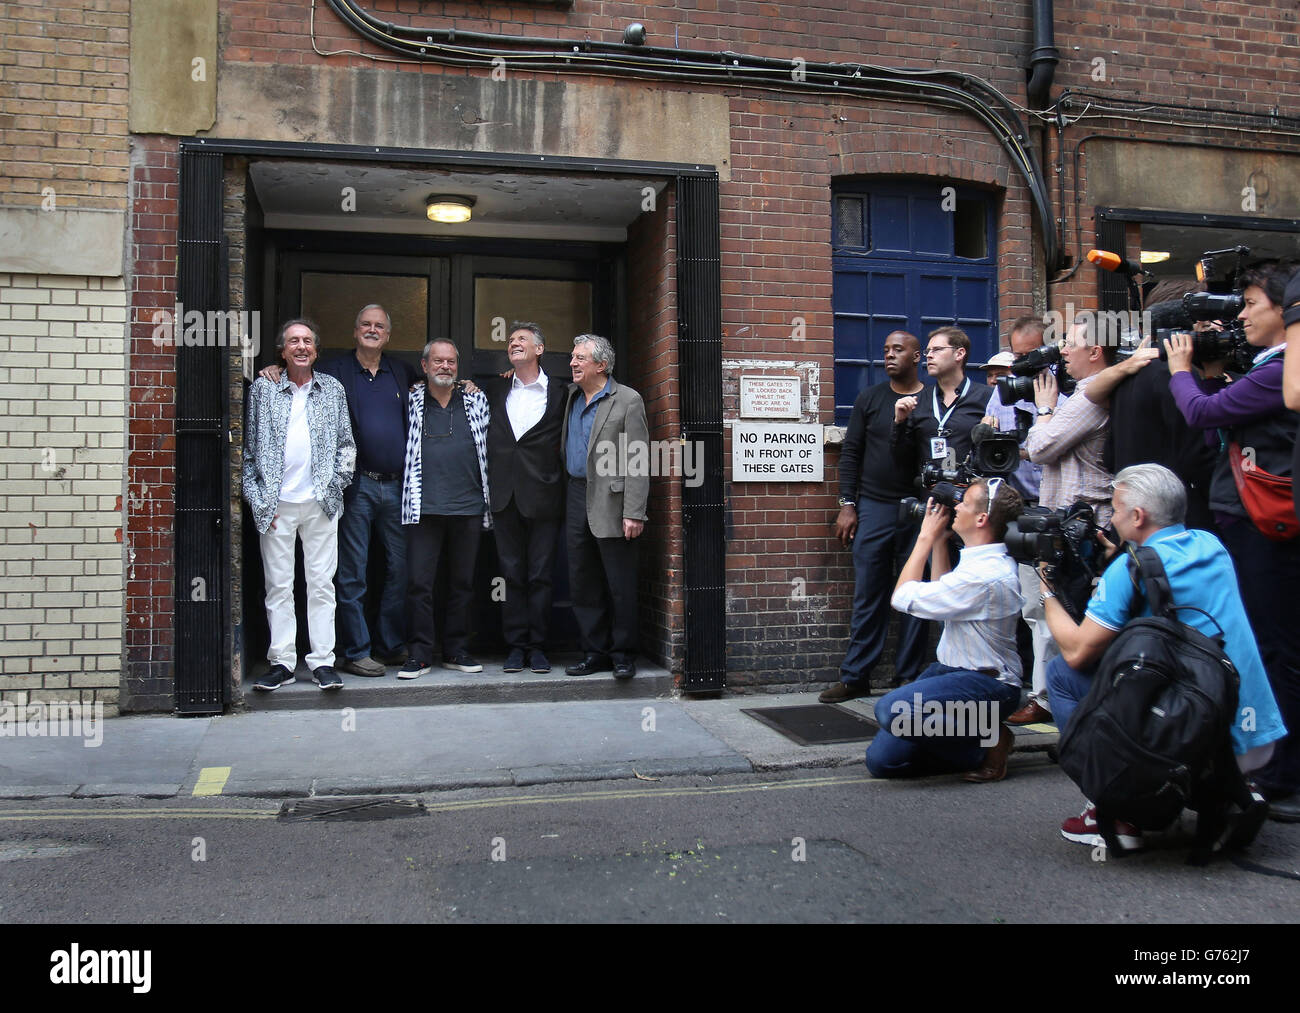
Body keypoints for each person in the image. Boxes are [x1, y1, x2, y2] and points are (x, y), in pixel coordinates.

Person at [1041, 464, 1288, 844]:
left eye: (1116, 508)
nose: (1111, 517)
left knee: (1061, 673)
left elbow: (1076, 651)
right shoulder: (1213, 546)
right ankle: (1224, 791)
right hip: (1257, 738)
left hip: (1196, 739)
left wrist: (1047, 590)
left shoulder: (1128, 569)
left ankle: (1114, 810)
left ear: (1137, 517)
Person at [1166, 261, 1300, 821]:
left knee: (1277, 646)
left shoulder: (1281, 371)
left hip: (1266, 529)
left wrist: (1179, 369)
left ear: (1286, 312)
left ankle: (1285, 772)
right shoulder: (1269, 368)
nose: (1240, 314)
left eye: (1251, 304)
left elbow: (1203, 412)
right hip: (1253, 523)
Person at [259, 304, 419, 677]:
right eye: (365, 323)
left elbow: (437, 383)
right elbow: (299, 376)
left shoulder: (402, 371)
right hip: (356, 485)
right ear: (354, 330)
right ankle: (356, 650)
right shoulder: (334, 371)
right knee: (350, 572)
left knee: (400, 568)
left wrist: (470, 383)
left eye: (379, 325)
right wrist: (273, 369)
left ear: (389, 334)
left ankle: (390, 644)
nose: (372, 330)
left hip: (397, 485)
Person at [865, 477, 1025, 782]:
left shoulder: (986, 575)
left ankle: (990, 740)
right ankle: (964, 747)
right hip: (951, 672)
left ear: (981, 518)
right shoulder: (977, 560)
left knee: (892, 711)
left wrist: (924, 538)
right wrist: (940, 543)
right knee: (883, 762)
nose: (956, 506)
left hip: (987, 683)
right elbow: (943, 597)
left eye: (963, 502)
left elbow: (902, 598)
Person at [243, 318, 355, 691]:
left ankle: (323, 662)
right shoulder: (264, 388)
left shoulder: (333, 390)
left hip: (321, 503)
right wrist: (260, 499)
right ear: (283, 350)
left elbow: (346, 446)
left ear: (316, 350)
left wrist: (336, 488)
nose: (301, 347)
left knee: (321, 584)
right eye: (294, 341)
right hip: (277, 505)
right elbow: (248, 450)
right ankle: (282, 662)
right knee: (278, 585)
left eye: (308, 340)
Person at [821, 330, 932, 703]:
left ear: (917, 357)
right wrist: (847, 504)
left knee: (915, 597)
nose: (889, 355)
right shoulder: (870, 399)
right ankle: (856, 676)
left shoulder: (932, 401)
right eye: (885, 350)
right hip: (874, 507)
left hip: (918, 510)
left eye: (898, 350)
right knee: (869, 592)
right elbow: (850, 453)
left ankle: (908, 677)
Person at [399, 339, 491, 678]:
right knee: (419, 585)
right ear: (424, 366)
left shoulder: (475, 399)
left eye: (451, 361)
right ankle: (420, 654)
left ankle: (456, 650)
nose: (445, 367)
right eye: (438, 361)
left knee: (462, 583)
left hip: (468, 506)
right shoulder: (410, 400)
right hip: (422, 507)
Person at [561, 334, 649, 680]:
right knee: (582, 581)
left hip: (613, 501)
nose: (572, 363)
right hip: (575, 495)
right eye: (572, 357)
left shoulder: (628, 400)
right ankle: (594, 652)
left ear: (601, 364)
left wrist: (634, 511)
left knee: (619, 583)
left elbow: (638, 459)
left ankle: (623, 653)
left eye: (580, 358)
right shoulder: (569, 397)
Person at [485, 322, 568, 674]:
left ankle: (538, 647)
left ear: (540, 349)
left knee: (540, 576)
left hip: (544, 497)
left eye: (522, 339)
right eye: (510, 340)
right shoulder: (494, 389)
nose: (513, 343)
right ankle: (515, 646)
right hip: (504, 496)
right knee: (510, 575)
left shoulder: (563, 394)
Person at [891, 326, 993, 481]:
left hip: (971, 498)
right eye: (928, 351)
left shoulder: (987, 397)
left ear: (959, 353)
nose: (929, 356)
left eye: (937, 349)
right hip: (931, 499)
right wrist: (899, 423)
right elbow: (901, 458)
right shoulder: (919, 400)